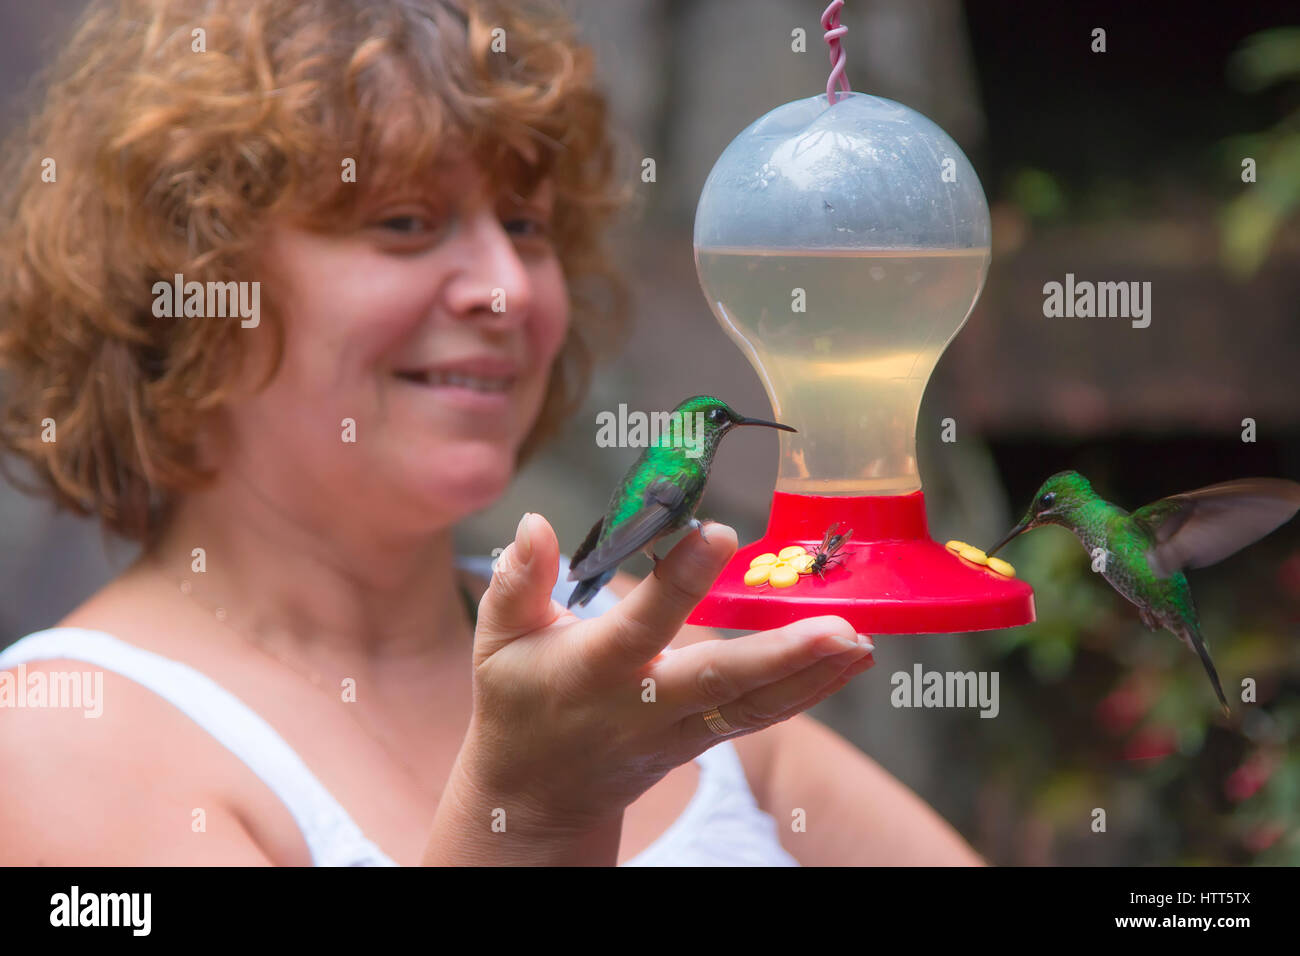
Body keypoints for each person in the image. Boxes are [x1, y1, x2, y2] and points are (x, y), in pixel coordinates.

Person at [0, 0, 982, 866]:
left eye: (524, 224)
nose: (507, 289)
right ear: (195, 288)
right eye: (401, 220)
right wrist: (530, 813)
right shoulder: (58, 741)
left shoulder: (628, 644)